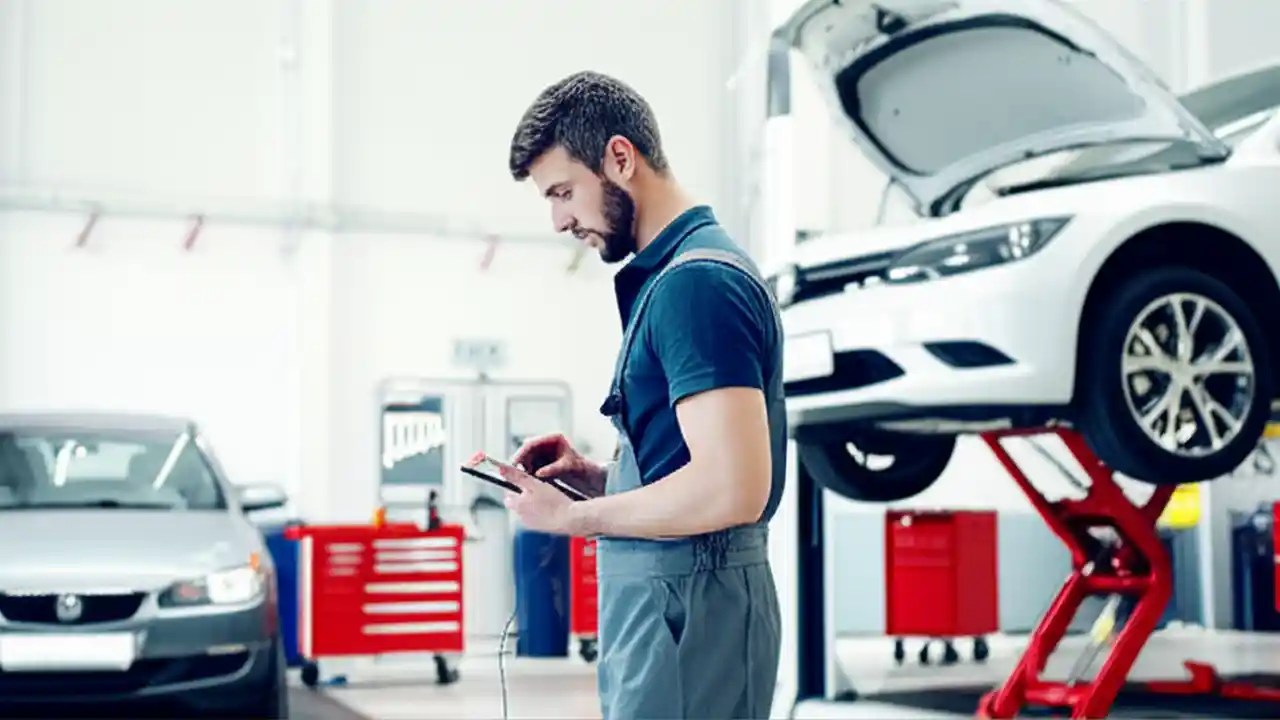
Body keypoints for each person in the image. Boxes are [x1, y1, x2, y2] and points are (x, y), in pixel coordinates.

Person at [496, 70, 788, 719]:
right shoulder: (673, 280)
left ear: (620, 158)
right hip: (675, 612)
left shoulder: (696, 286)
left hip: (690, 616)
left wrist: (574, 520)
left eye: (564, 192)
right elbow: (694, 472)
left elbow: (733, 488)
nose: (559, 219)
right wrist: (602, 482)